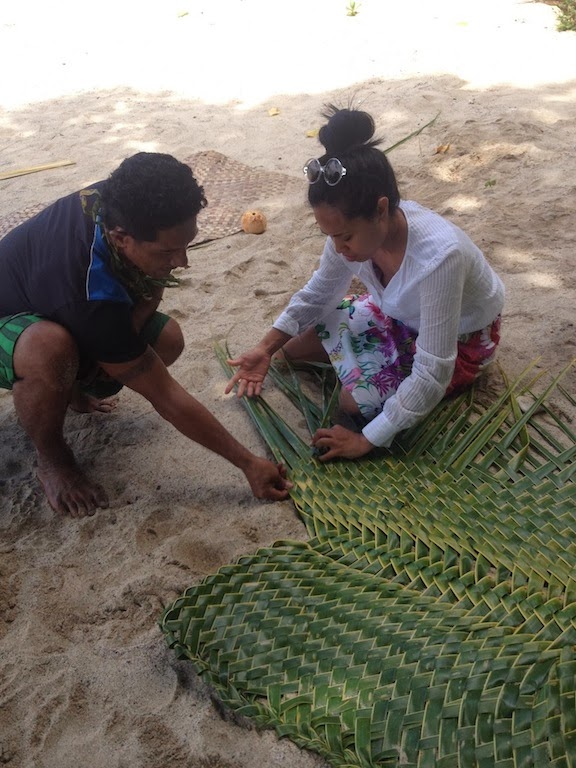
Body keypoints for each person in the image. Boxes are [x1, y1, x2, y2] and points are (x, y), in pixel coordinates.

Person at [0, 152, 291, 517]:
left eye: (186, 244)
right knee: (48, 348)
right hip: (13, 323)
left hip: (55, 303)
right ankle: (53, 460)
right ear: (122, 238)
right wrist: (248, 463)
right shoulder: (90, 293)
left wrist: (123, 340)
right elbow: (164, 395)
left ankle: (71, 387)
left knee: (167, 339)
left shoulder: (118, 200)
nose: (182, 262)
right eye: (168, 251)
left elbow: (148, 289)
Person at [227, 105, 505, 461]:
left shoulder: (439, 257)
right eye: (330, 236)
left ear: (381, 210)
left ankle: (364, 380)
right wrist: (265, 348)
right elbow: (319, 293)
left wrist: (367, 439)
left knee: (352, 402)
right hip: (400, 315)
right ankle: (364, 362)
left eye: (345, 237)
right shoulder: (353, 234)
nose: (338, 248)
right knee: (290, 350)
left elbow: (433, 369)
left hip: (461, 340)